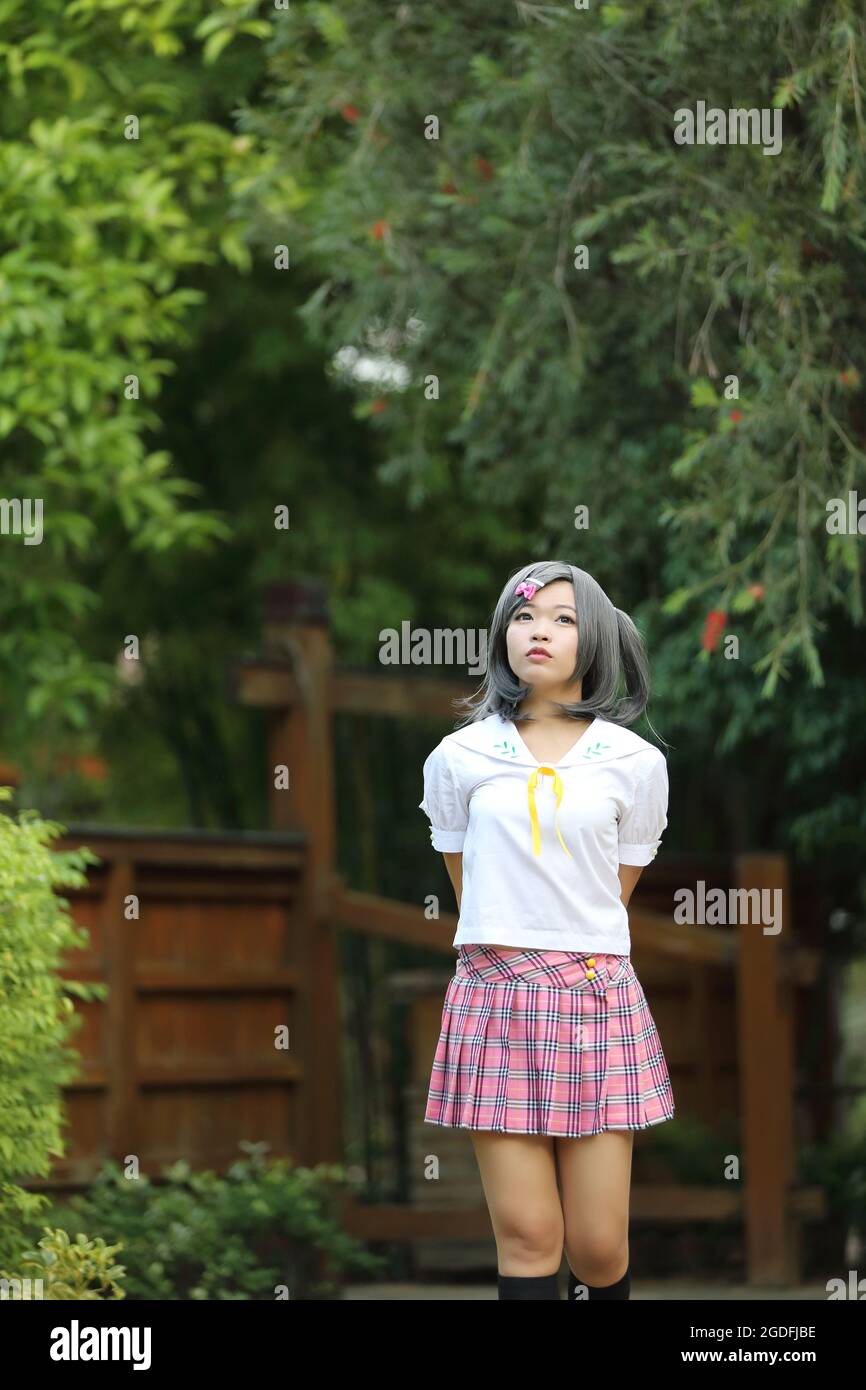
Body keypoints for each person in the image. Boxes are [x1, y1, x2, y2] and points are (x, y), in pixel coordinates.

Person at [418, 560, 674, 1301]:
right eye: (526, 617)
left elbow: (608, 896)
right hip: (496, 999)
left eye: (564, 619)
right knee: (529, 1238)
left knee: (597, 1247)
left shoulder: (635, 763)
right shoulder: (459, 757)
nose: (541, 631)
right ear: (503, 635)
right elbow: (473, 892)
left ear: (593, 639)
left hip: (595, 1000)